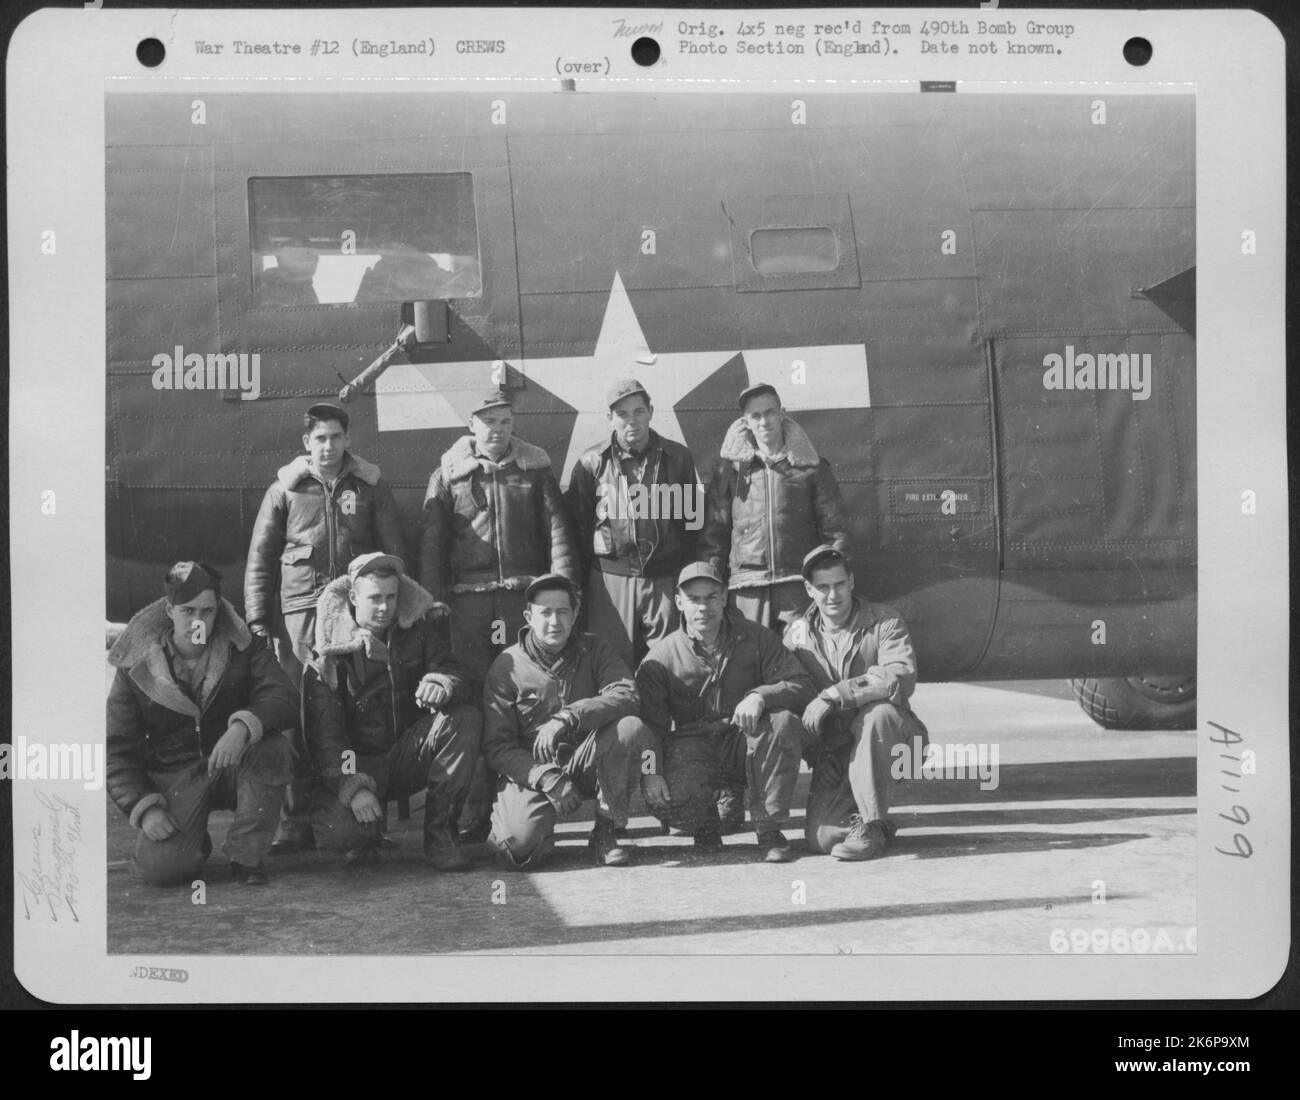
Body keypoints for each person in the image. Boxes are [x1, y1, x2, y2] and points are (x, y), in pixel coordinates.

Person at [244, 401, 410, 854]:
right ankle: (294, 822)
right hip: (301, 614)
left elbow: (394, 550)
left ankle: (365, 811)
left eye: (337, 437)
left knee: (356, 706)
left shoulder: (370, 486)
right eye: (321, 438)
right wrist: (259, 622)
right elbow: (261, 559)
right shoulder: (285, 490)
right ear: (307, 444)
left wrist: (407, 608)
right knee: (299, 715)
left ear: (347, 440)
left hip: (352, 613)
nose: (329, 446)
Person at [419, 389, 579, 840]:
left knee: (518, 698)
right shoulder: (448, 477)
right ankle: (474, 808)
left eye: (506, 421)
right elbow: (432, 544)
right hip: (468, 605)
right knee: (473, 700)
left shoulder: (534, 470)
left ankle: (521, 793)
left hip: (520, 602)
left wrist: (562, 589)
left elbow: (559, 534)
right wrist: (434, 600)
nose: (498, 430)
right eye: (489, 422)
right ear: (471, 424)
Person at [698, 382, 850, 831]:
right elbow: (713, 537)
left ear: (782, 414)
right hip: (745, 591)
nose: (764, 423)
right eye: (755, 416)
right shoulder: (729, 471)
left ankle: (828, 784)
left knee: (806, 680)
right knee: (736, 686)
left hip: (794, 594)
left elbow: (835, 533)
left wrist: (823, 591)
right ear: (745, 422)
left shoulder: (810, 468)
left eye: (770, 413)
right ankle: (732, 789)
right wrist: (716, 592)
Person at [106, 561, 297, 886]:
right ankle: (190, 841)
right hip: (175, 776)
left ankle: (245, 854)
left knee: (273, 747)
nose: (197, 621)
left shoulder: (245, 647)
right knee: (164, 870)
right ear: (169, 609)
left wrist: (243, 726)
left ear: (219, 609)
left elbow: (283, 695)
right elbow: (118, 750)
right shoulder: (135, 664)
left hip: (232, 765)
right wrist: (144, 807)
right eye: (187, 610)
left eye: (207, 612)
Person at [302, 553, 480, 870]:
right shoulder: (327, 655)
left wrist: (441, 683)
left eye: (391, 597)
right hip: (358, 766)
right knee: (343, 835)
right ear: (353, 597)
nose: (385, 608)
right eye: (375, 599)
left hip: (405, 757)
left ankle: (441, 836)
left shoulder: (418, 631)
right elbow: (324, 740)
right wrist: (352, 788)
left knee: (464, 717)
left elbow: (458, 675)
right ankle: (365, 833)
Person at [636, 563, 816, 863]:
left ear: (724, 598)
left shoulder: (756, 637)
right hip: (693, 748)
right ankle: (706, 823)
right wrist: (650, 771)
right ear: (679, 601)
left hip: (743, 742)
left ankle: (769, 829)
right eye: (694, 599)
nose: (703, 607)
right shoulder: (661, 658)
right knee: (667, 799)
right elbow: (649, 729)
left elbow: (802, 683)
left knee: (782, 722)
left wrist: (761, 695)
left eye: (711, 597)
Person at [482, 574, 656, 869]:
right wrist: (547, 778)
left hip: (587, 760)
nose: (554, 622)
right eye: (545, 613)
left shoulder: (595, 649)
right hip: (535, 771)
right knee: (517, 849)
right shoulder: (506, 667)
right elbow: (498, 747)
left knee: (630, 728)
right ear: (528, 617)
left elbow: (627, 695)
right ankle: (538, 830)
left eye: (563, 612)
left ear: (575, 615)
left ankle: (606, 829)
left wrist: (570, 716)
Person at [783, 546, 930, 861]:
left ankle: (870, 823)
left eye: (839, 584)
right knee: (821, 840)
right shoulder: (796, 635)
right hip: (838, 752)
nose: (832, 595)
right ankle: (873, 823)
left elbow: (898, 677)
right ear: (809, 590)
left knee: (879, 713)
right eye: (822, 587)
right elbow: (792, 693)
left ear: (851, 581)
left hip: (900, 743)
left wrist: (834, 695)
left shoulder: (884, 621)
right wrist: (817, 753)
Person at [565, 378, 702, 671]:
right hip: (610, 581)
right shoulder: (591, 462)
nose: (632, 421)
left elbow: (692, 525)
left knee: (671, 663)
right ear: (609, 418)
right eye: (623, 414)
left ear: (651, 412)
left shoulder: (678, 457)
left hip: (665, 579)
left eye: (638, 411)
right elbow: (576, 531)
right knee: (611, 663)